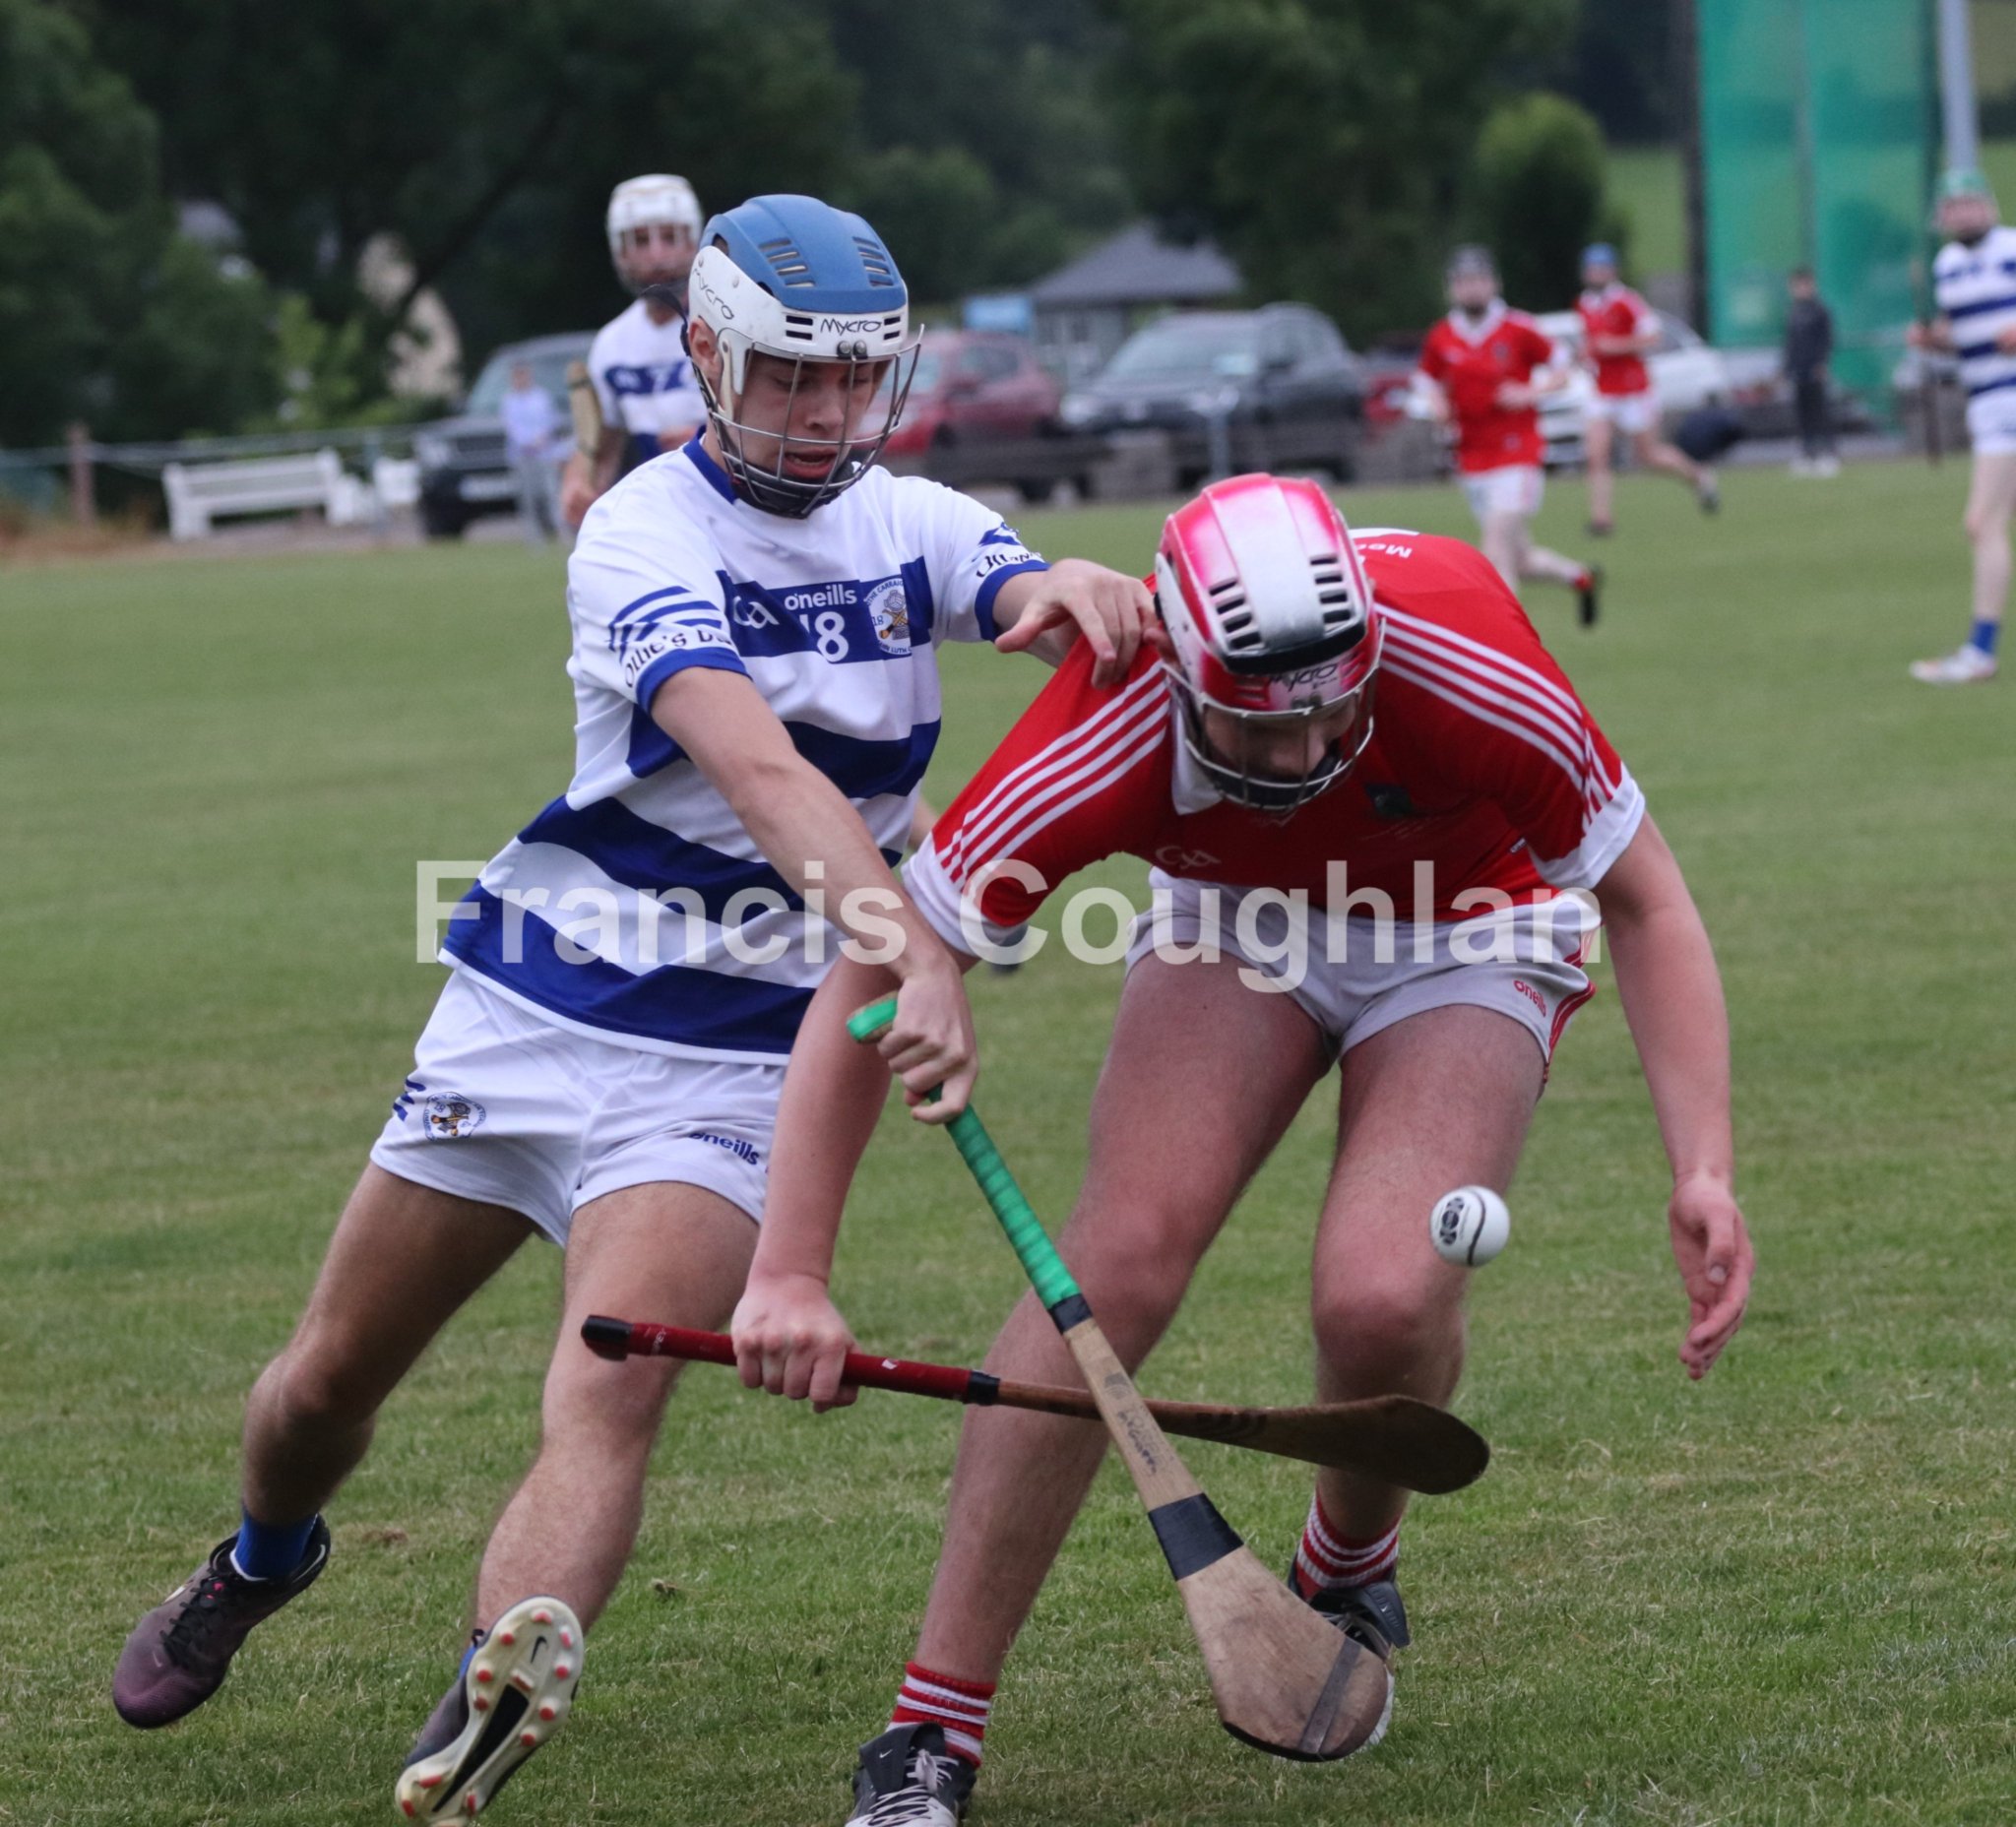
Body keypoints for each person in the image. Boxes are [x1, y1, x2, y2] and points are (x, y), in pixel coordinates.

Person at [109, 194, 1152, 1822]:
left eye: (852, 378)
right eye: (789, 377)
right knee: (322, 1388)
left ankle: (483, 1698)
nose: (822, 414)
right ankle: (259, 1559)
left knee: (602, 1397)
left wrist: (1073, 590)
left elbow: (1014, 593)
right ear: (705, 354)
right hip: (529, 1014)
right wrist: (910, 940)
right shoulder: (640, 533)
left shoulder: (912, 525)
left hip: (728, 1070)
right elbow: (756, 765)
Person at [731, 473, 1756, 1826]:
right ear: (1183, 670)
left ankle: (1347, 1558)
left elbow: (1645, 895)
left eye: (1334, 717)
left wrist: (1704, 1166)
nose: (1304, 759)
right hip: (1234, 916)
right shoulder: (1108, 721)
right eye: (1259, 733)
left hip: (1477, 928)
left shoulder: (1456, 644)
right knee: (1116, 1263)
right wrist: (791, 1267)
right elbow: (877, 957)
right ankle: (932, 1726)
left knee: (1382, 1297)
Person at [1416, 246, 1601, 626]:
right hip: (1473, 456)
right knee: (1521, 560)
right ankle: (1580, 577)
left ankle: (1507, 640)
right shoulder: (1443, 336)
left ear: (1494, 284)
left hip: (1518, 453)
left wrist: (1530, 392)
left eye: (1479, 281)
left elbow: (1564, 367)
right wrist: (1437, 405)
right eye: (1464, 282)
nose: (1472, 290)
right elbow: (1426, 381)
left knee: (1494, 546)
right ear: (1452, 288)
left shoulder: (1517, 327)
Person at [1907, 168, 2014, 684]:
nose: (1965, 212)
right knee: (1987, 524)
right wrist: (1935, 340)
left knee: (1981, 523)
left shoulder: (2012, 247)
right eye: (1955, 206)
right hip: (1987, 402)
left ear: (1989, 207)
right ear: (1942, 216)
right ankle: (1980, 651)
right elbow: (1967, 337)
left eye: (1973, 202)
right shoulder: (1946, 265)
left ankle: (1980, 652)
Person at [559, 173, 712, 530]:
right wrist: (579, 482)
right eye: (641, 240)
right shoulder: (612, 345)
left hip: (739, 509)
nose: (657, 255)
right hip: (662, 518)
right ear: (619, 250)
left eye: (671, 237)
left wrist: (710, 438)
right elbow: (602, 447)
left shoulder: (732, 320)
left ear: (695, 239)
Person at [1575, 242, 1720, 531]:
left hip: (1633, 389)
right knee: (1597, 454)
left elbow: (1653, 337)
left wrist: (1615, 347)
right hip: (1602, 390)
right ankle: (1601, 518)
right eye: (1592, 269)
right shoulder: (1585, 304)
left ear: (1612, 271)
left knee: (1648, 456)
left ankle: (1699, 477)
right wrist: (1585, 355)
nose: (1596, 274)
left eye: (1602, 268)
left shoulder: (1627, 301)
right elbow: (1591, 344)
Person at [500, 362, 566, 543]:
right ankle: (535, 537)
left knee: (551, 494)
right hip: (522, 456)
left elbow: (551, 421)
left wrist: (541, 439)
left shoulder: (541, 397)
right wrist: (528, 442)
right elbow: (512, 428)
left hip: (545, 454)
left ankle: (561, 531)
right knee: (528, 498)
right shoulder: (509, 401)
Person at [1783, 267, 1837, 478]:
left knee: (1819, 412)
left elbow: (1827, 340)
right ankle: (1807, 454)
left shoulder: (1820, 311)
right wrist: (1786, 368)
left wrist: (1822, 363)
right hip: (1798, 370)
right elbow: (1790, 344)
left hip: (1815, 368)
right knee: (1802, 414)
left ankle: (1828, 454)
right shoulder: (1793, 312)